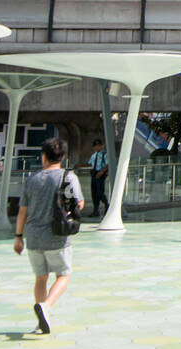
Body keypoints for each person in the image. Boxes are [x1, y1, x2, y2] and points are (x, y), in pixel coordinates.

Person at [13, 136, 84, 335]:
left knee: (40, 278)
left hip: (33, 237)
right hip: (57, 235)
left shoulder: (31, 180)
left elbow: (22, 212)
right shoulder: (68, 177)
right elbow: (79, 204)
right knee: (64, 274)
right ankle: (46, 306)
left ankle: (40, 323)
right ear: (63, 156)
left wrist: (18, 236)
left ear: (44, 156)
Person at [87, 138, 109, 217]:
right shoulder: (94, 155)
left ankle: (107, 205)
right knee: (94, 193)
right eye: (95, 146)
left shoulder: (104, 154)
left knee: (100, 192)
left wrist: (101, 172)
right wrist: (78, 165)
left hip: (100, 174)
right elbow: (90, 164)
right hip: (94, 174)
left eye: (99, 145)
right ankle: (95, 210)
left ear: (101, 146)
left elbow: (108, 164)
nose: (97, 147)